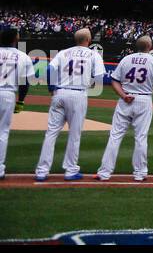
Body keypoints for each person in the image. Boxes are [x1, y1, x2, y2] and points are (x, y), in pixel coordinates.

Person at [36, 28, 104, 182]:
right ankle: (70, 170)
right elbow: (99, 76)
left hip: (59, 93)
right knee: (74, 134)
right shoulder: (94, 54)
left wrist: (51, 89)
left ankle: (42, 171)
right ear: (88, 40)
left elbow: (49, 69)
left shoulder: (63, 52)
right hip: (78, 94)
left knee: (51, 133)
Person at [96, 34, 153, 182]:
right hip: (144, 98)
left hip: (125, 99)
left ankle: (104, 173)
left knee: (115, 136)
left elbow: (114, 81)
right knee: (141, 137)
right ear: (150, 46)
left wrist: (123, 95)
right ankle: (140, 174)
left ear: (137, 46)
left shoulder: (126, 59)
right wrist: (148, 84)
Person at [0, 24, 36, 180]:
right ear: (15, 38)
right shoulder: (23, 57)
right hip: (7, 94)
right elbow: (24, 83)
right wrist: (20, 101)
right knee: (2, 133)